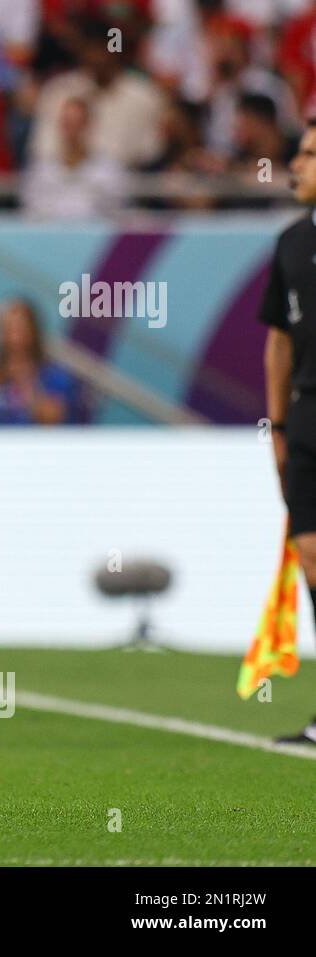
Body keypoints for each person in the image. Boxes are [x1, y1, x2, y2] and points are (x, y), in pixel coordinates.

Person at [259, 119, 316, 747]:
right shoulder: (292, 243)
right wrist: (276, 424)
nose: (295, 165)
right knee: (310, 554)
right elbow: (278, 341)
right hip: (305, 416)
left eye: (307, 155)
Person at [0, 300, 83, 425]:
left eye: (18, 329)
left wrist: (25, 382)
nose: (13, 337)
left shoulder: (54, 376)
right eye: (6, 329)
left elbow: (53, 419)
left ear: (33, 331)